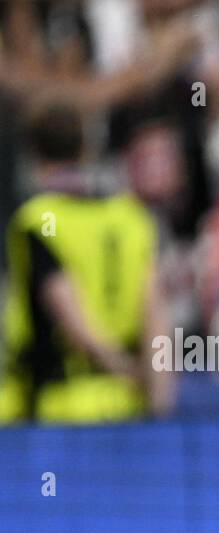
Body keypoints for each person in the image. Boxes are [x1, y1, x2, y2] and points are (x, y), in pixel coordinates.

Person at [1, 101, 169, 424]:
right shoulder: (131, 218)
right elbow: (156, 317)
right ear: (86, 148)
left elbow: (73, 322)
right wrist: (158, 399)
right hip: (126, 405)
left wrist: (123, 368)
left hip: (60, 409)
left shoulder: (38, 221)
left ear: (33, 152)